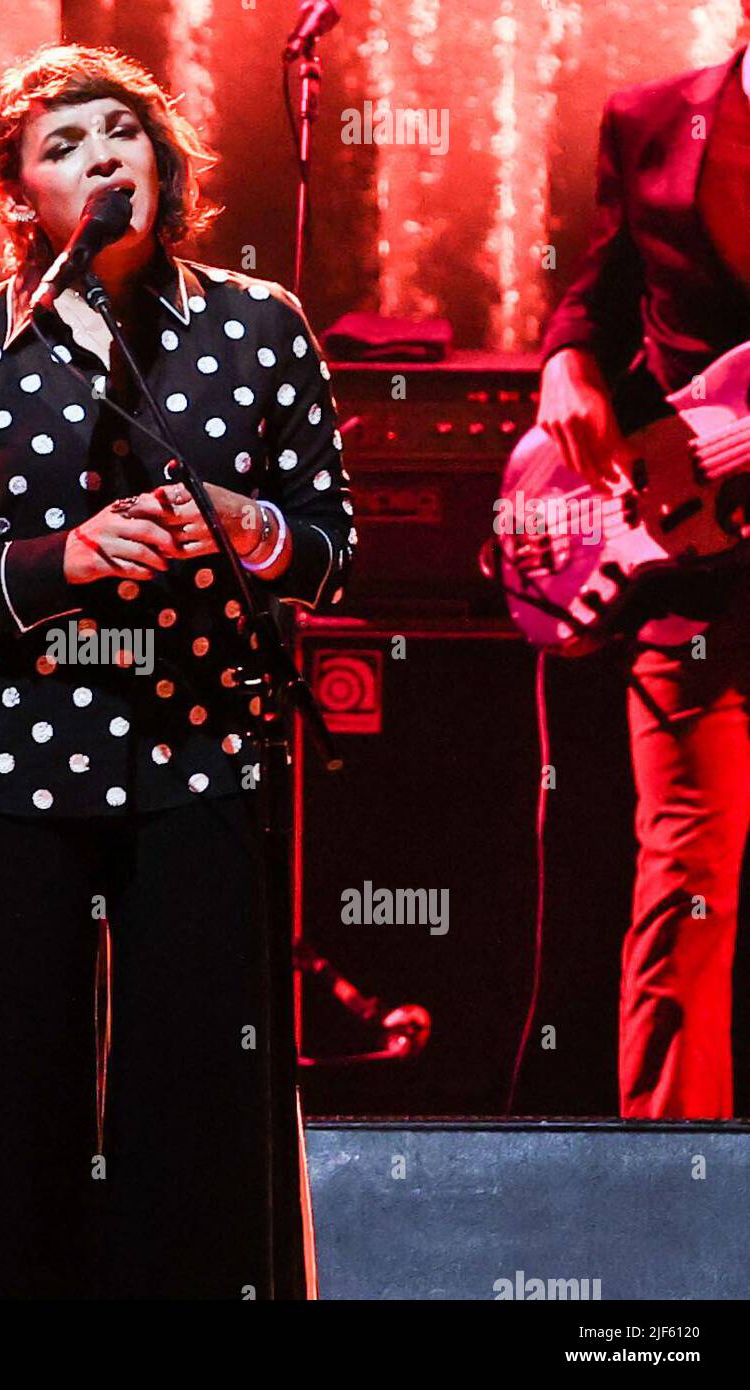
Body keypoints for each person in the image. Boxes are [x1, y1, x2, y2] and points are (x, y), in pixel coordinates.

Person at [0, 42, 355, 1297]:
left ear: (162, 162)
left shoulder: (258, 325)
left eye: (119, 134)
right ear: (17, 195)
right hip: (8, 762)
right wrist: (65, 560)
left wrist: (251, 528)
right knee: (3, 1084)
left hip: (201, 751)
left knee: (196, 1084)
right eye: (63, 147)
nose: (99, 160)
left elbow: (328, 554)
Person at [538, 31, 750, 1118]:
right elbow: (601, 286)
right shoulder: (648, 118)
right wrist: (567, 363)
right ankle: (670, 1219)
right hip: (690, 570)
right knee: (683, 894)